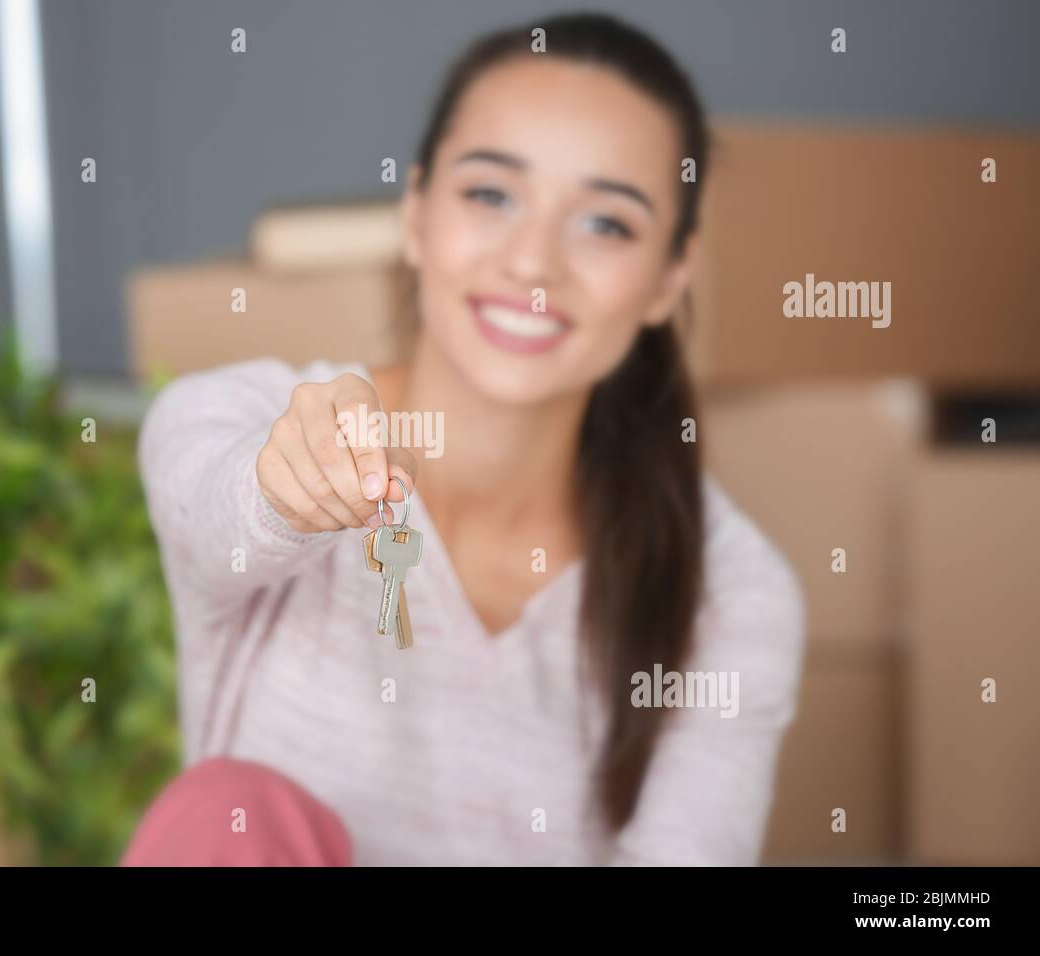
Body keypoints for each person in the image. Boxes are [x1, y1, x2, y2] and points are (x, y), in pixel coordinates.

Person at [125, 10, 805, 867]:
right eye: (490, 193)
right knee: (229, 807)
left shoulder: (734, 590)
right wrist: (284, 488)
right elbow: (218, 508)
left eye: (607, 223)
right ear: (414, 213)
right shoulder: (231, 418)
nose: (532, 263)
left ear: (672, 276)